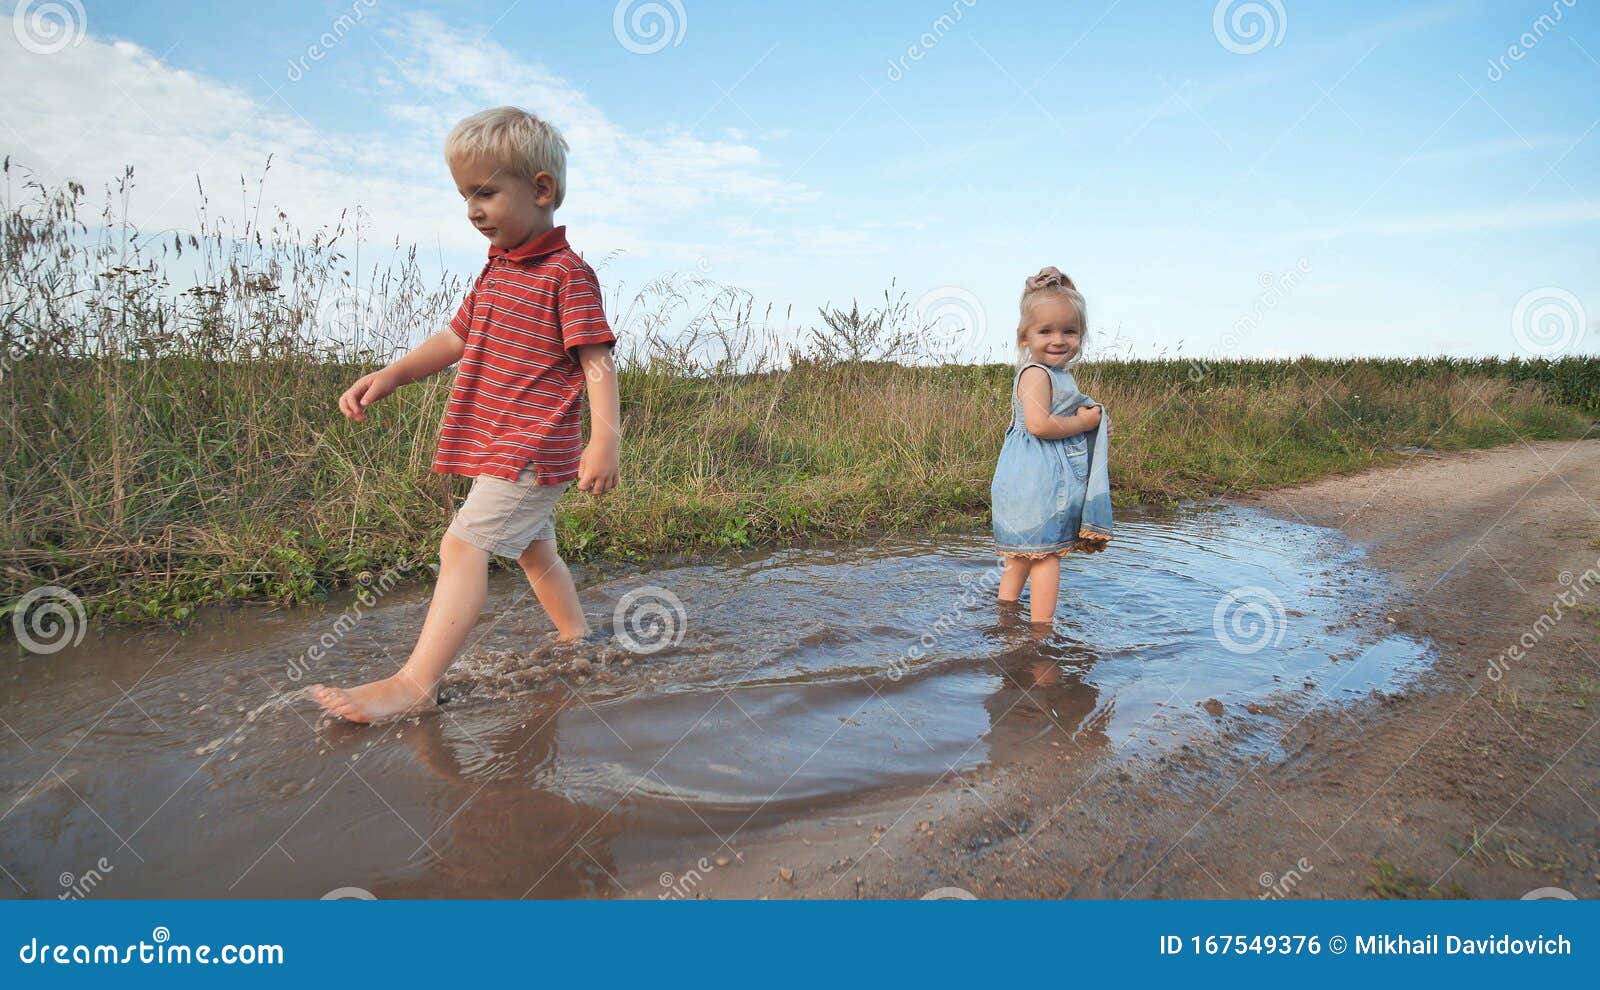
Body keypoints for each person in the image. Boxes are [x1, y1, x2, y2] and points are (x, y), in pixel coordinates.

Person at [312, 106, 620, 723]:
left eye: (485, 192)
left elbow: (597, 360)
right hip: (500, 443)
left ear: (540, 190)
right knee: (535, 553)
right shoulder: (494, 273)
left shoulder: (568, 275)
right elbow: (457, 339)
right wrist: (392, 373)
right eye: (464, 196)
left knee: (462, 546)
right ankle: (579, 642)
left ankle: (415, 683)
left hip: (532, 447)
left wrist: (605, 439)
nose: (473, 209)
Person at [990, 266, 1113, 625]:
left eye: (1069, 331)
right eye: (1045, 331)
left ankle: (1006, 616)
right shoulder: (1034, 374)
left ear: (1081, 336)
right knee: (1045, 557)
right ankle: (1041, 633)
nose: (1058, 339)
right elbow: (1040, 424)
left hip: (1029, 482)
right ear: (1024, 337)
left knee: (1021, 557)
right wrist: (1085, 422)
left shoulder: (1057, 374)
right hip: (1036, 485)